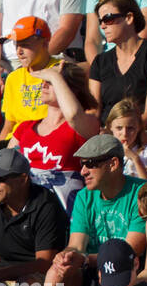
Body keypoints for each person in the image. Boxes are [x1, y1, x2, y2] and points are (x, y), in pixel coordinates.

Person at [43, 133, 147, 286]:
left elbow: (129, 251)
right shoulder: (84, 196)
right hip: (93, 270)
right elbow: (76, 245)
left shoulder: (141, 193)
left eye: (90, 164)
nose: (83, 171)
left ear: (113, 164)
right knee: (57, 271)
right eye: (82, 164)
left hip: (127, 272)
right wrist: (67, 255)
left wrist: (83, 259)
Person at [9, 61, 98, 211]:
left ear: (71, 90)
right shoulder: (25, 127)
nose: (44, 85)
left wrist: (54, 75)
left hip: (62, 210)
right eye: (44, 81)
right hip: (25, 209)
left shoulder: (85, 124)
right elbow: (5, 165)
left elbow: (74, 115)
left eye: (51, 82)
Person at [0, 147, 67, 285]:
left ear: (23, 179)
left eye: (0, 178)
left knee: (26, 285)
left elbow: (44, 263)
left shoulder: (45, 205)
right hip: (1, 278)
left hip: (41, 278)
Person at [87, 0, 147, 124]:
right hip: (105, 135)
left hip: (140, 134)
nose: (103, 26)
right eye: (100, 21)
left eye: (108, 19)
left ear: (129, 18)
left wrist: (122, 132)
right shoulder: (100, 62)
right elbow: (93, 112)